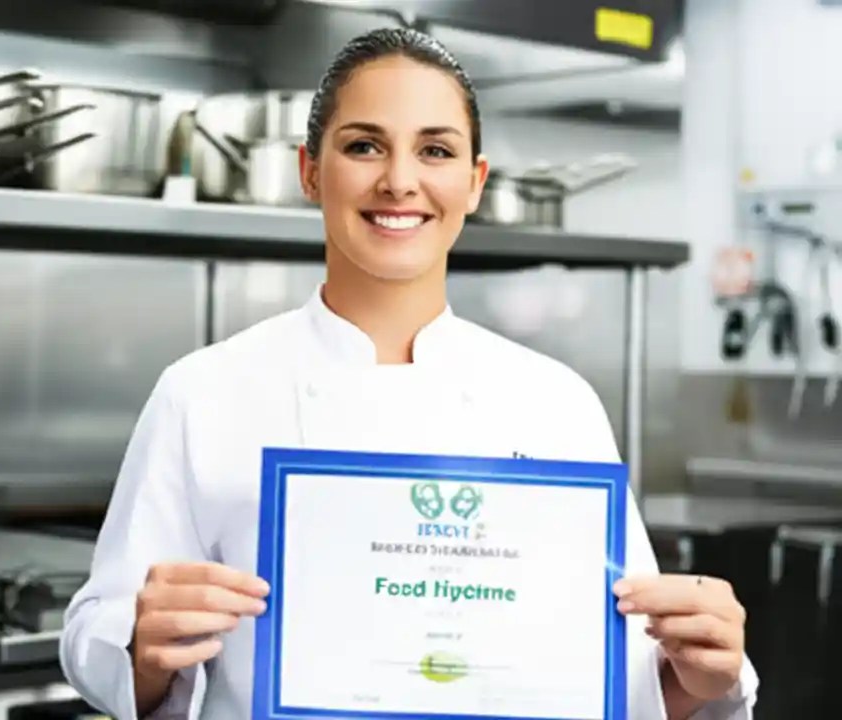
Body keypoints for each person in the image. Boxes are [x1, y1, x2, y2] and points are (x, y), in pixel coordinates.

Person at [60, 26, 758, 720]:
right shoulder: (204, 392)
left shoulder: (554, 402)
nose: (399, 180)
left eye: (436, 150)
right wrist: (140, 647)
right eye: (364, 146)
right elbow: (100, 629)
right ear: (310, 170)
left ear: (474, 182)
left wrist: (700, 675)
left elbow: (619, 680)